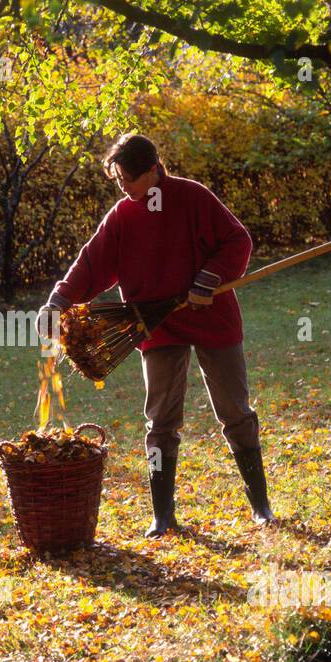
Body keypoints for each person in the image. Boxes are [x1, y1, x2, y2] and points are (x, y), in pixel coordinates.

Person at [36, 133, 275, 535]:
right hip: (155, 324)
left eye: (128, 179)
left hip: (212, 317)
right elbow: (92, 263)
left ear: (153, 170)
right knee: (160, 422)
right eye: (117, 180)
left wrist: (211, 276)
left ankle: (261, 507)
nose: (123, 187)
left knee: (235, 412)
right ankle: (163, 515)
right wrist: (58, 301)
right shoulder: (123, 216)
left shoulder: (193, 198)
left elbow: (238, 240)